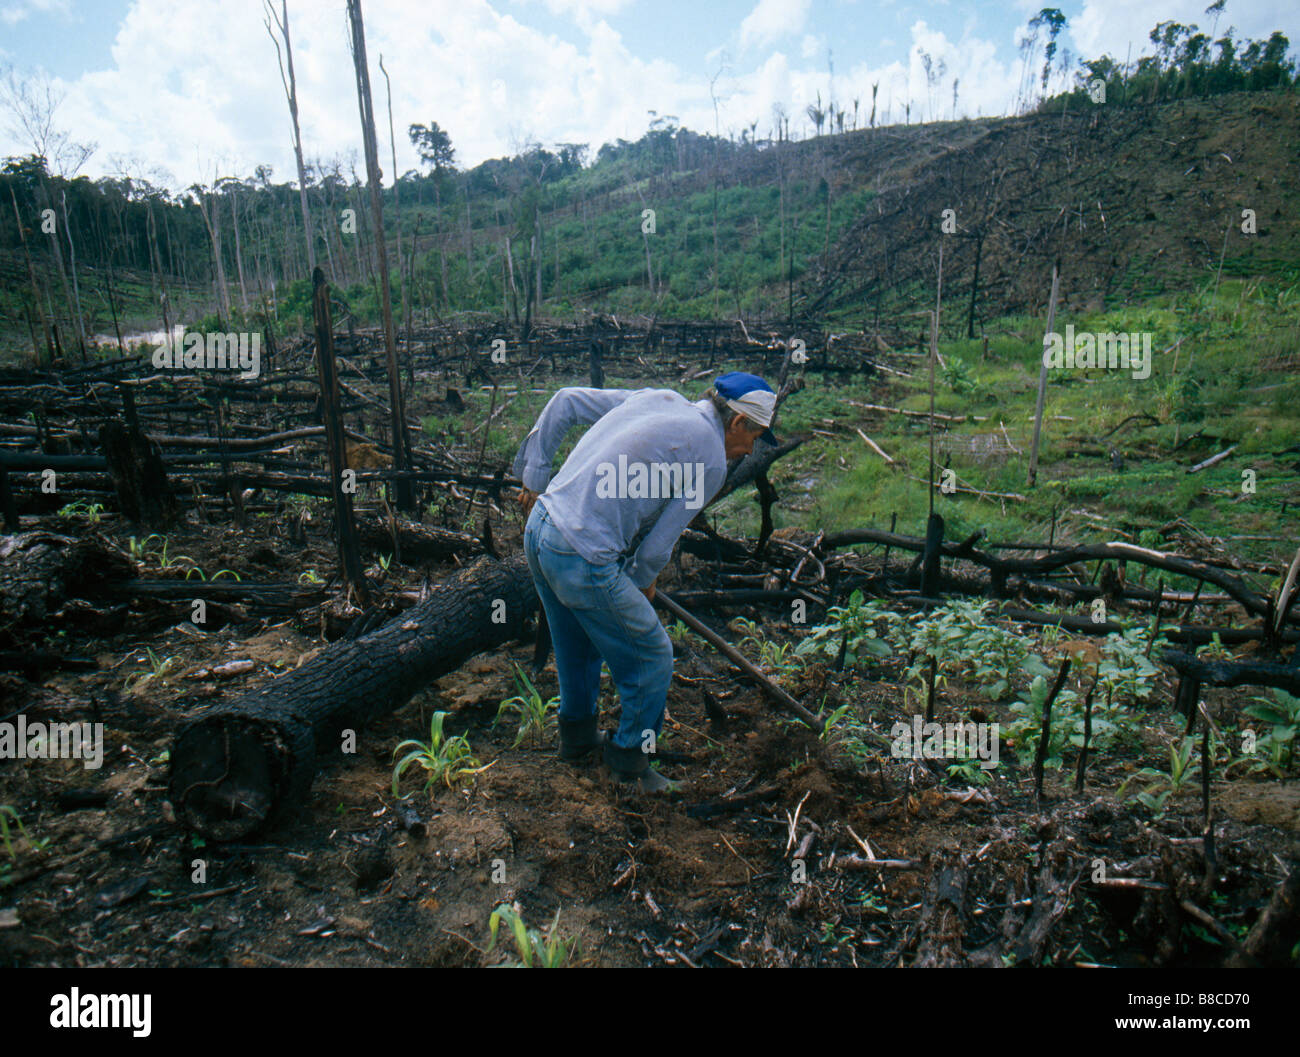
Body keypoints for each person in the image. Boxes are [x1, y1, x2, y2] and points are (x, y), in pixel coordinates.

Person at [512, 372, 777, 793]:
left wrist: (535, 474)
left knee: (577, 643)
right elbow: (656, 548)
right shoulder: (710, 459)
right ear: (737, 423)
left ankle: (578, 739)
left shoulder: (659, 398)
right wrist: (641, 582)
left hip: (540, 532)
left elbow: (565, 401)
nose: (750, 449)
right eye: (755, 436)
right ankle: (630, 763)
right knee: (652, 656)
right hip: (581, 555)